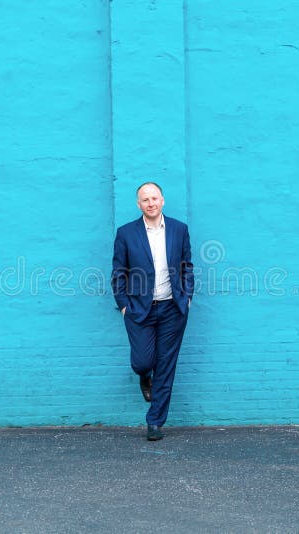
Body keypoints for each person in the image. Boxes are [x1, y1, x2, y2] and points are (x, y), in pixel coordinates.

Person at [111, 182, 194, 441]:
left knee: (166, 365)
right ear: (139, 204)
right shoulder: (126, 233)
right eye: (145, 200)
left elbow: (187, 266)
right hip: (139, 310)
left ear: (162, 200)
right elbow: (118, 273)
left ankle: (155, 421)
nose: (150, 203)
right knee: (143, 361)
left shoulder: (179, 230)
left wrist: (187, 297)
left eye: (154, 198)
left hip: (173, 308)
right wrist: (124, 305)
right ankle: (143, 376)